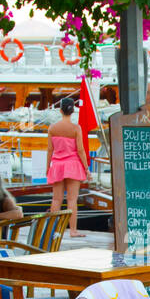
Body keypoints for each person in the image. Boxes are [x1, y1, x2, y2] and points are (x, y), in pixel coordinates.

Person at [47, 96, 90, 237]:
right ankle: (73, 230)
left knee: (56, 199)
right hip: (73, 165)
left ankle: (52, 230)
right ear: (73, 111)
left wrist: (48, 167)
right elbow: (80, 150)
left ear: (60, 110)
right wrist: (86, 168)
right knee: (72, 200)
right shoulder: (76, 128)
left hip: (57, 165)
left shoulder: (52, 128)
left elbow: (49, 150)